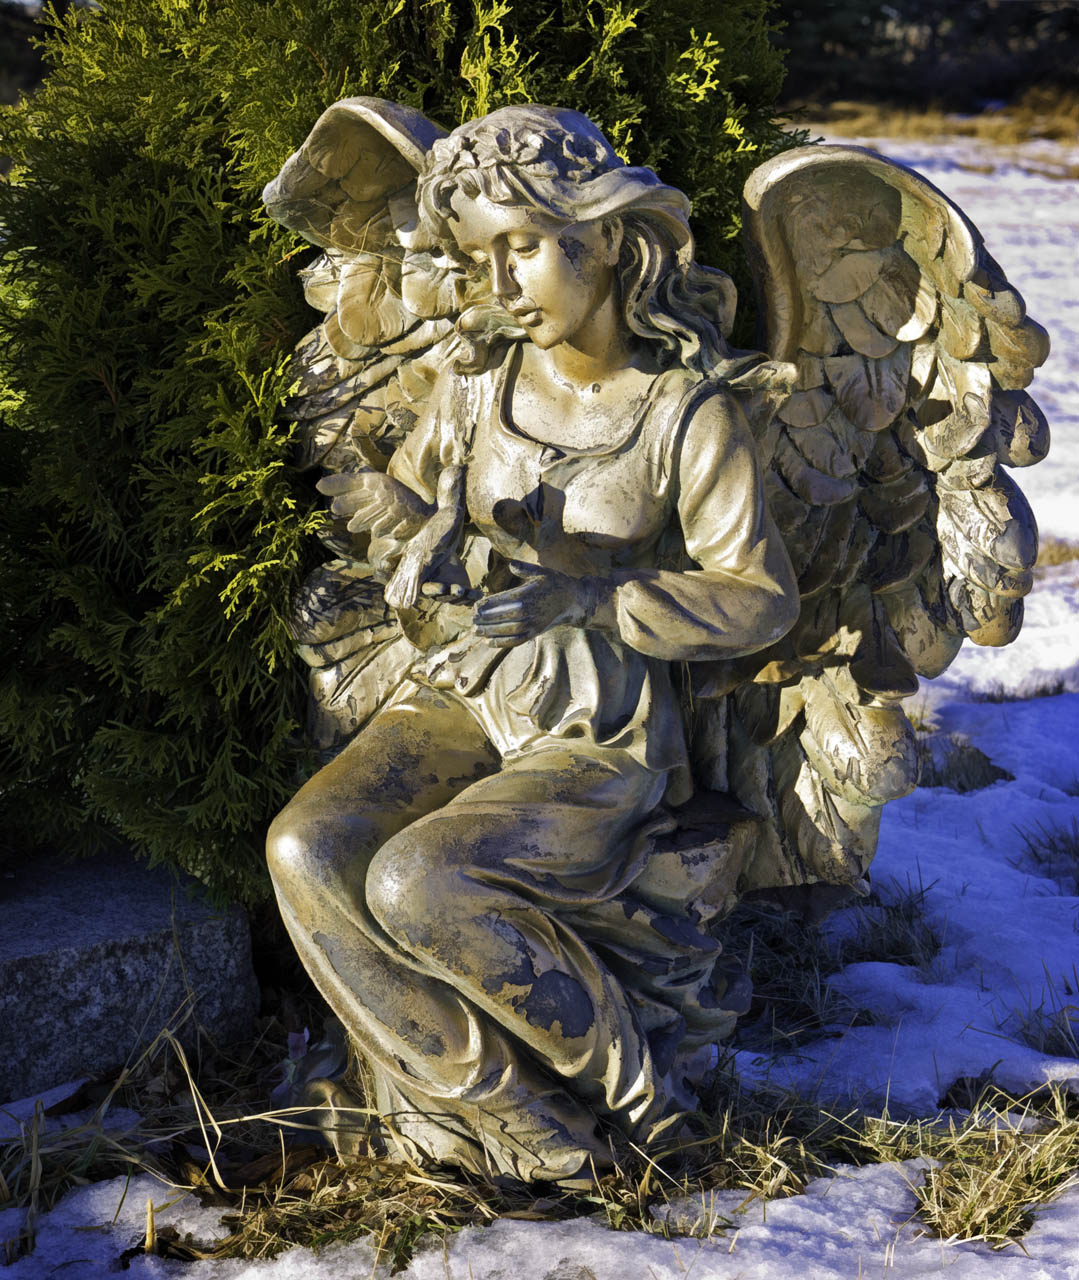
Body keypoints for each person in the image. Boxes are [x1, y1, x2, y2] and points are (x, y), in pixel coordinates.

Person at [266, 105, 800, 1184]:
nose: (501, 283)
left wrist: (593, 594)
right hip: (459, 690)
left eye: (521, 246)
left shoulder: (682, 409)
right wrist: (421, 540)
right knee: (307, 849)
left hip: (594, 730)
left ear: (602, 234)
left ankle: (641, 1102)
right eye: (480, 256)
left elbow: (758, 599)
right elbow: (415, 498)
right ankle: (510, 1113)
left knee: (421, 880)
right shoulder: (478, 383)